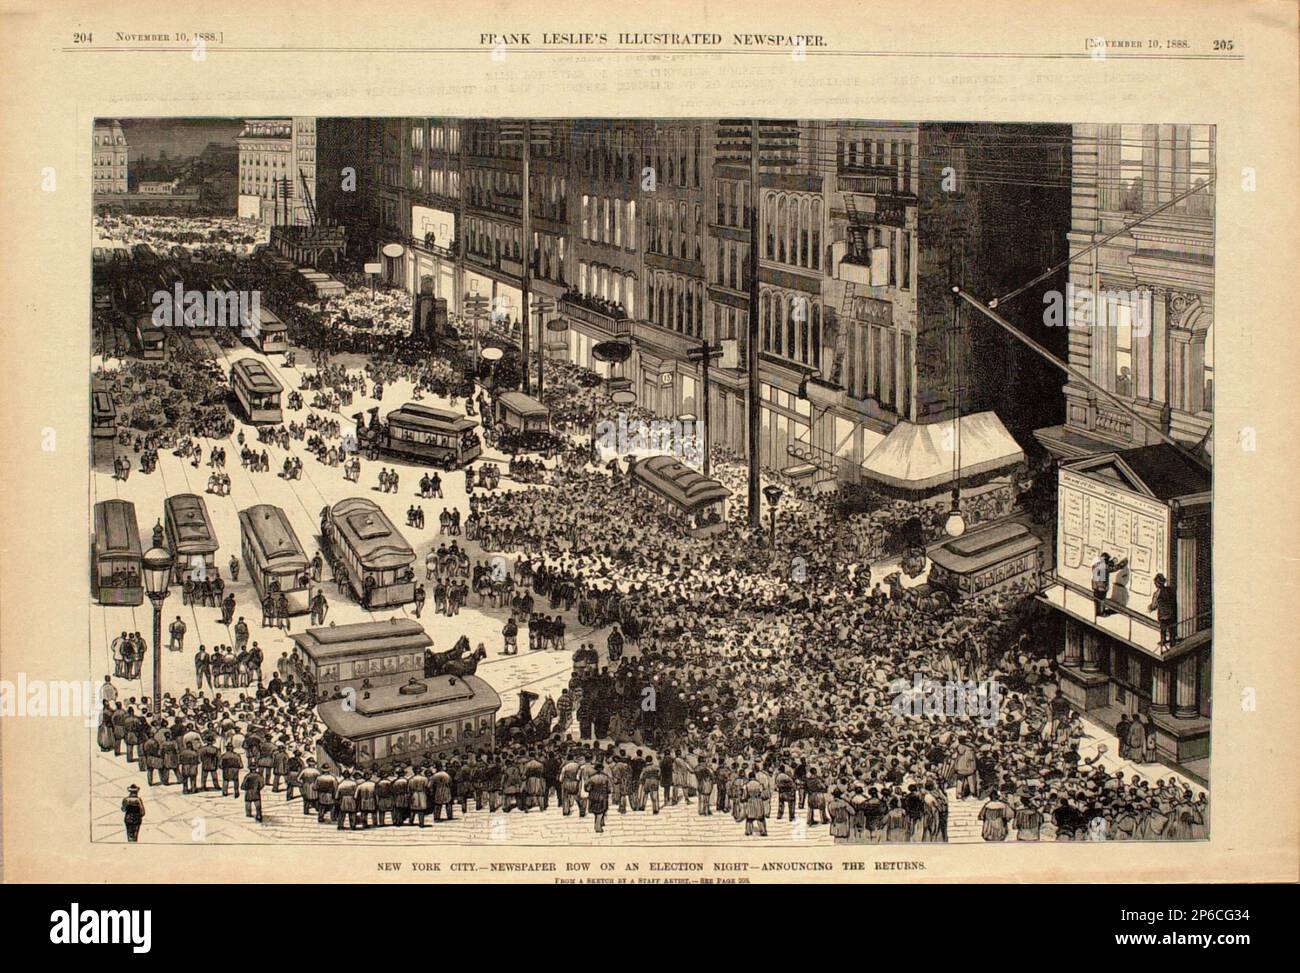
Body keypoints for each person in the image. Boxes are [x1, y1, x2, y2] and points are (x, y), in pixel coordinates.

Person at [1149, 574, 1177, 646]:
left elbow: (1154, 605)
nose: (1155, 584)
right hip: (1171, 614)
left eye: (1156, 582)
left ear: (1158, 583)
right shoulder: (1170, 590)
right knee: (1171, 630)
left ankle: (1163, 641)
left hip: (1163, 615)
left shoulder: (1157, 593)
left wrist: (1151, 608)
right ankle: (1172, 642)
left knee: (1163, 629)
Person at [1091, 552, 1114, 617]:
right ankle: (1101, 613)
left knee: (1097, 600)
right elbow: (1111, 569)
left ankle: (1097, 612)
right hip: (1101, 587)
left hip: (1095, 586)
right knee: (1101, 600)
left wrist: (1111, 563)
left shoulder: (1096, 565)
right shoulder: (1104, 567)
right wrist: (1121, 564)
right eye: (1108, 560)